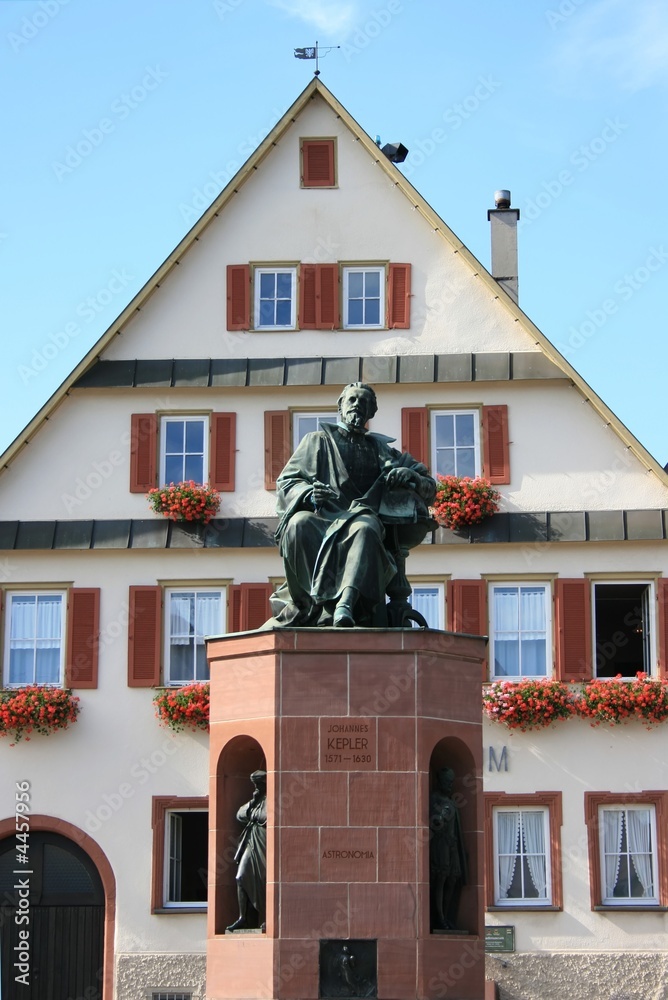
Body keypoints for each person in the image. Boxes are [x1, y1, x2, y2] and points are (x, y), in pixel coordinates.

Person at [271, 382, 436, 628]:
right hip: (324, 516)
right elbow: (287, 482)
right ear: (340, 406)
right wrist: (309, 494)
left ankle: (345, 604)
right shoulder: (317, 441)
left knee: (366, 528)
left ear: (372, 412)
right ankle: (310, 603)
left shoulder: (381, 450)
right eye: (352, 399)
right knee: (298, 524)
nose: (358, 405)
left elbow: (430, 487)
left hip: (361, 516)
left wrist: (411, 476)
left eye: (364, 402)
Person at [226, 770, 267, 932]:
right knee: (241, 876)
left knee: (264, 879)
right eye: (255, 784)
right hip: (251, 842)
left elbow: (265, 817)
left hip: (264, 843)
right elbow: (239, 816)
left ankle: (267, 917)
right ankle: (243, 917)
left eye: (259, 784)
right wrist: (253, 802)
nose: (256, 787)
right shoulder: (256, 801)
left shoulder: (271, 800)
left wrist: (256, 813)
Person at [429, 767, 468, 931]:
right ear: (439, 781)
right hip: (441, 844)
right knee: (441, 879)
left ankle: (445, 915)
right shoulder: (434, 798)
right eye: (447, 782)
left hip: (452, 844)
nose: (450, 785)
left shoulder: (451, 800)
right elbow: (435, 820)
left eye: (451, 782)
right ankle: (439, 918)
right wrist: (439, 818)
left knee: (452, 879)